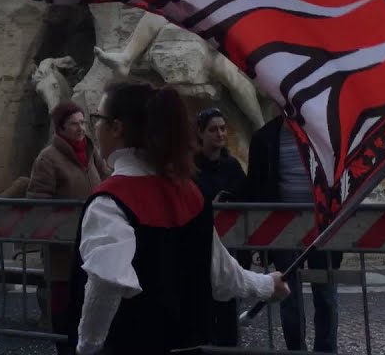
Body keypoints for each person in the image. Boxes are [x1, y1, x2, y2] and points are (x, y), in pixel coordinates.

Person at [73, 82, 288, 355]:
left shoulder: (110, 201)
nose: (95, 128)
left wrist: (87, 346)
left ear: (117, 128)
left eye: (98, 119)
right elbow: (222, 275)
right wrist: (267, 284)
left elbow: (107, 281)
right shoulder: (190, 193)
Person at [246, 113, 341, 352]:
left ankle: (325, 349)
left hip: (322, 229)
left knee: (326, 295)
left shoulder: (323, 133)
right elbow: (256, 186)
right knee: (289, 298)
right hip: (283, 231)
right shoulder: (265, 137)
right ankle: (296, 349)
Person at [26, 102, 110, 353]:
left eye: (83, 122)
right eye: (74, 123)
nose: (81, 128)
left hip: (93, 247)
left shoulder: (92, 153)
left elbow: (109, 181)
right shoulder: (48, 159)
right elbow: (37, 201)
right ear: (61, 127)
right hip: (63, 253)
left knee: (91, 308)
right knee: (65, 314)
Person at [193, 108, 247, 347]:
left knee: (227, 312)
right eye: (213, 129)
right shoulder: (191, 168)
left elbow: (246, 200)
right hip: (200, 250)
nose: (219, 134)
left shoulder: (232, 166)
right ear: (201, 133)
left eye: (223, 129)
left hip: (229, 251)